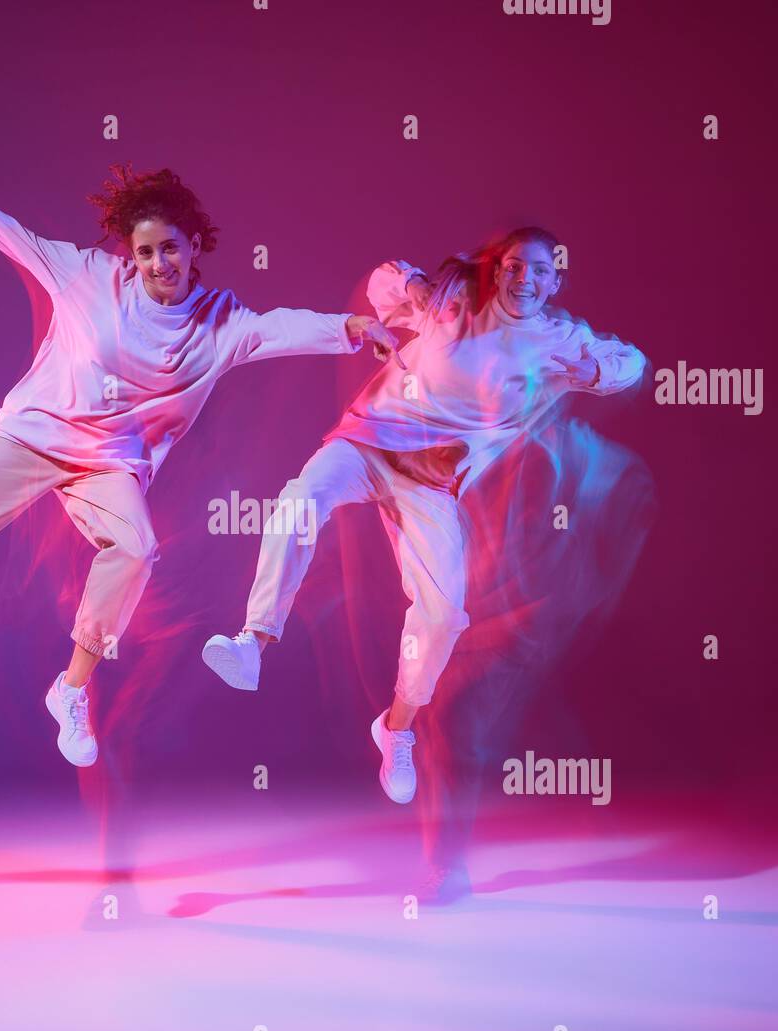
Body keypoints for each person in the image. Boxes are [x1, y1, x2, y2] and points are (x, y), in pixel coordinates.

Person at [0, 149, 398, 770]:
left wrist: (354, 330)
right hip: (27, 439)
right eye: (145, 252)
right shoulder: (87, 275)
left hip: (105, 465)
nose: (157, 263)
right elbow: (12, 235)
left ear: (194, 245)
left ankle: (72, 689)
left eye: (169, 247)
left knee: (136, 547)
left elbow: (285, 326)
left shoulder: (222, 325)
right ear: (130, 254)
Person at [202, 229, 646, 803]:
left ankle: (396, 730)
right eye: (513, 267)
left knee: (442, 614)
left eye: (539, 271)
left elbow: (629, 361)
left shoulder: (558, 340)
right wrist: (411, 283)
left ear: (555, 281)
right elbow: (383, 279)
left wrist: (595, 372)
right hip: (366, 445)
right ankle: (251, 643)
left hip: (431, 484)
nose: (524, 280)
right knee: (296, 503)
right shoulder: (451, 304)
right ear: (497, 270)